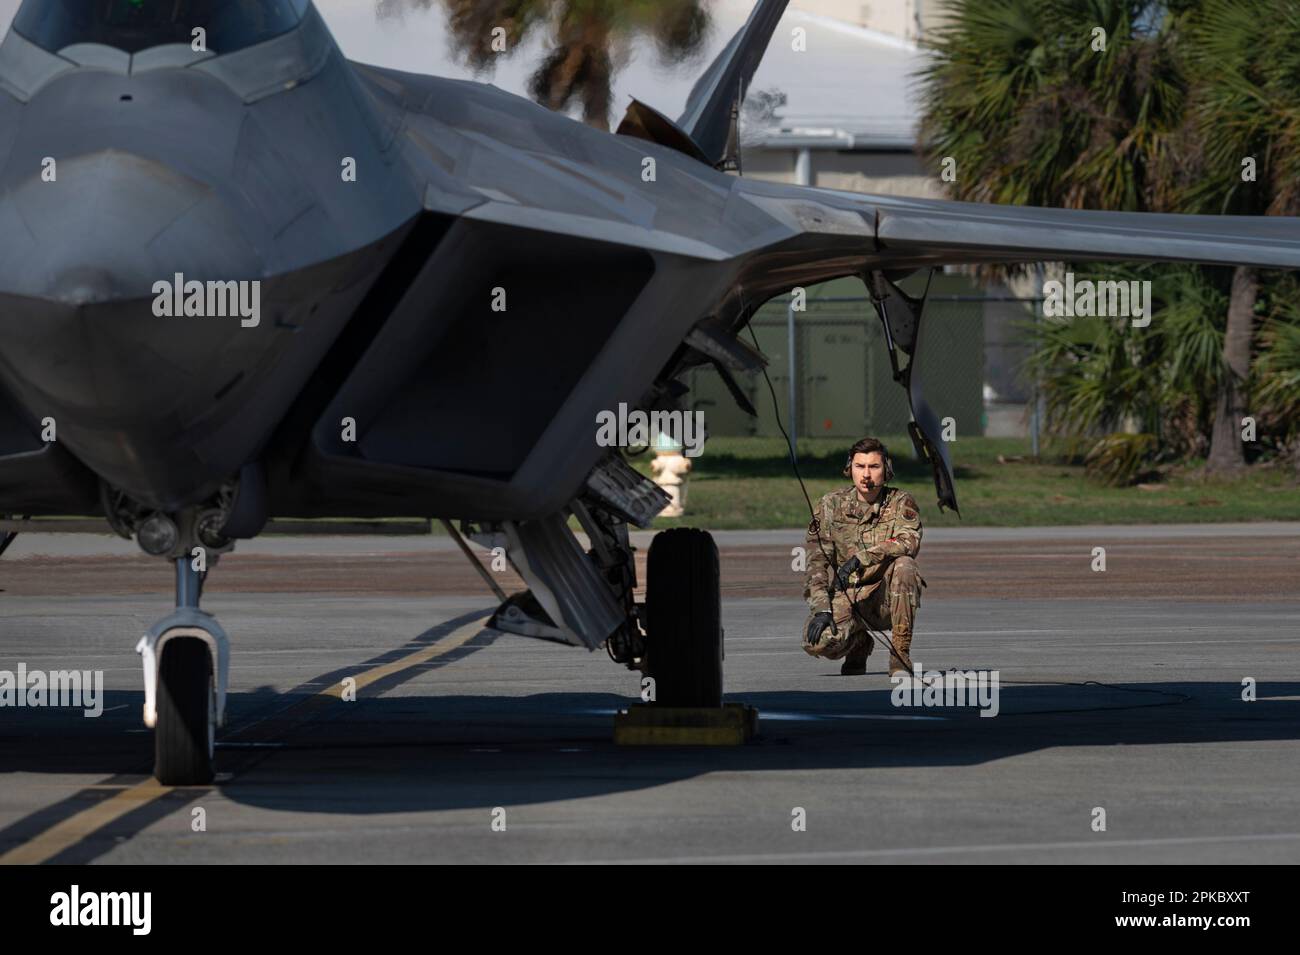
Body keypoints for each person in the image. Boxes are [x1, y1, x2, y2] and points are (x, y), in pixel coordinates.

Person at [802, 436, 924, 676]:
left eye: (874, 466)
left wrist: (861, 558)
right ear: (850, 468)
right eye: (860, 466)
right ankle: (859, 642)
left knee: (905, 566)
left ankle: (900, 655)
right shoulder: (830, 505)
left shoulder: (900, 502)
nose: (866, 475)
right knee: (816, 642)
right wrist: (822, 609)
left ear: (886, 470)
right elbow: (816, 563)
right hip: (848, 595)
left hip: (885, 598)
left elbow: (909, 540)